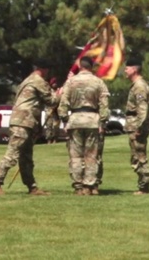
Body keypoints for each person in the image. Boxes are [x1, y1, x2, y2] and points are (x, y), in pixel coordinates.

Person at [0, 60, 58, 196]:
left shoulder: (27, 80)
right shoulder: (38, 81)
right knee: (12, 154)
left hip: (25, 121)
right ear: (43, 69)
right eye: (47, 70)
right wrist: (60, 93)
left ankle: (32, 187)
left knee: (26, 157)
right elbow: (52, 100)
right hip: (23, 122)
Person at [58, 57, 109, 196]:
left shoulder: (70, 82)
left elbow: (63, 104)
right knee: (91, 155)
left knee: (76, 156)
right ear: (91, 67)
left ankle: (78, 186)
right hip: (93, 121)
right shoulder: (98, 82)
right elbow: (104, 105)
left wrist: (65, 121)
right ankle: (90, 185)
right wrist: (103, 122)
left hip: (75, 121)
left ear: (80, 66)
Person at [123, 57, 149, 195]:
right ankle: (143, 185)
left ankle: (144, 186)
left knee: (139, 156)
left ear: (134, 69)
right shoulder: (138, 85)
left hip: (137, 127)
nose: (125, 70)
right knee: (137, 156)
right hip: (135, 125)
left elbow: (142, 109)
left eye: (127, 68)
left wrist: (139, 128)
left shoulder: (139, 86)